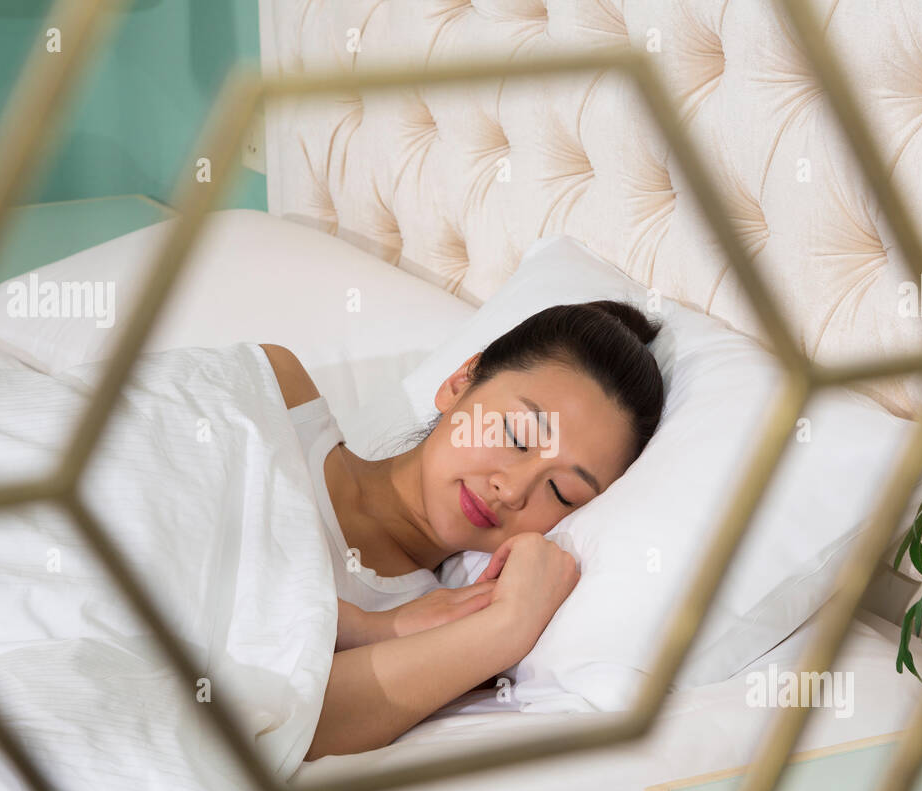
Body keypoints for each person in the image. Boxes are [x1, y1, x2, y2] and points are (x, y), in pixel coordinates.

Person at [259, 299, 664, 759]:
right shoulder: (278, 392)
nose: (511, 490)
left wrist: (509, 625)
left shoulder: (433, 634)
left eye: (561, 491)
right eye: (515, 437)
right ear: (459, 383)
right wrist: (362, 626)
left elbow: (280, 724)